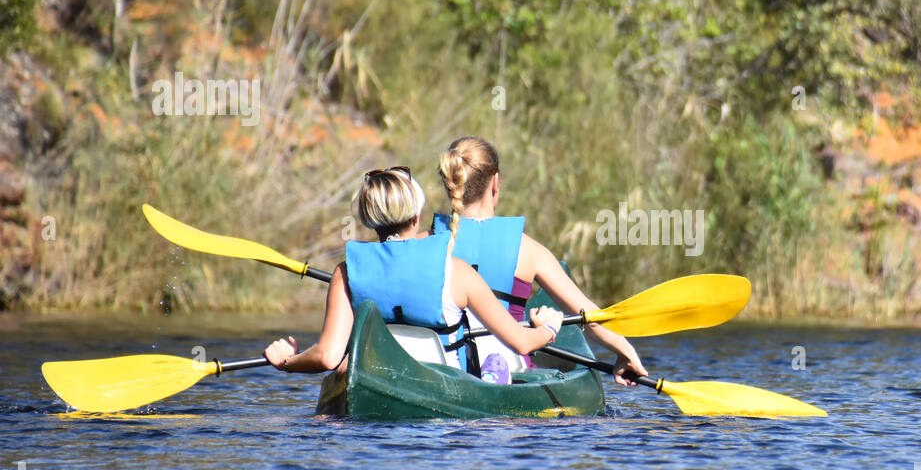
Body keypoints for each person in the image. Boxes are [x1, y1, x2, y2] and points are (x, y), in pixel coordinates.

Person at [263, 167, 564, 376]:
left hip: (378, 381)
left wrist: (288, 361)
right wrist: (547, 328)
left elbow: (327, 356)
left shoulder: (346, 273)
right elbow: (521, 343)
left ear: (369, 220)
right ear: (417, 215)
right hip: (443, 392)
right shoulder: (456, 272)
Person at [435, 136, 647, 387]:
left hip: (446, 365)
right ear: (495, 183)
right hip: (511, 363)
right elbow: (587, 315)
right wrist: (625, 352)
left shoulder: (426, 242)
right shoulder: (529, 251)